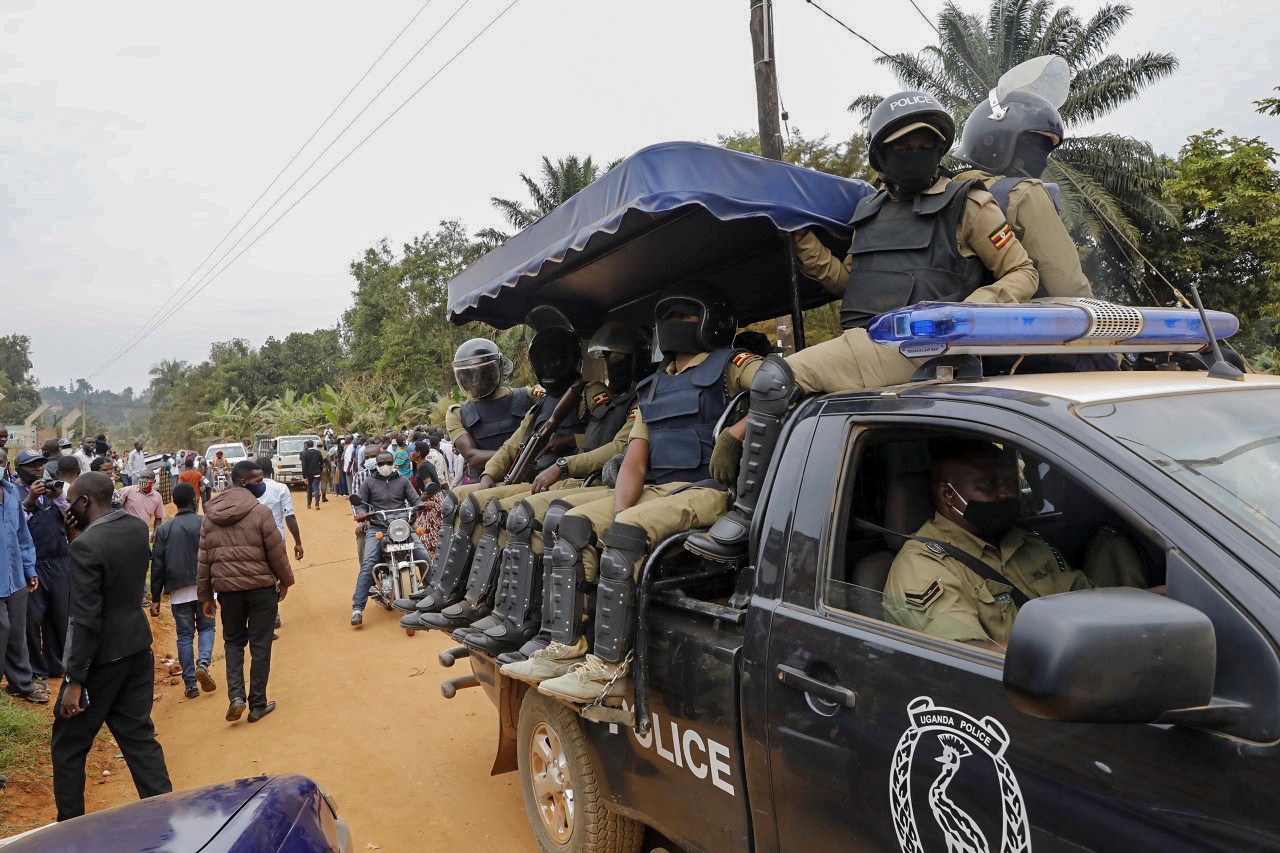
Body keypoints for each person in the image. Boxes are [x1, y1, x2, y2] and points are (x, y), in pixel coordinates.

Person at [688, 91, 1040, 561]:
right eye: (903, 147)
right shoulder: (870, 213)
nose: (915, 154)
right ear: (881, 155)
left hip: (924, 346)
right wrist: (799, 237)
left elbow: (1023, 272)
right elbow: (849, 283)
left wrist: (963, 314)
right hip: (870, 342)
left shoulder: (968, 204)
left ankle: (748, 518)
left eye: (926, 145)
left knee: (775, 376)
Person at [517, 283, 762, 701]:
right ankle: (566, 648)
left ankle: (610, 669)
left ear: (712, 321)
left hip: (707, 489)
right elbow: (635, 458)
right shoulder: (652, 386)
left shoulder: (730, 365)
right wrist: (616, 513)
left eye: (684, 316)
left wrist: (736, 434)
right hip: (658, 488)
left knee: (626, 530)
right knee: (575, 526)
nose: (672, 326)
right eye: (668, 317)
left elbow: (780, 387)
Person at [883, 440, 1092, 647]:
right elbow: (966, 656)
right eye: (990, 484)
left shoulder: (1027, 542)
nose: (1008, 493)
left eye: (1011, 483)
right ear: (948, 494)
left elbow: (1090, 602)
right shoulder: (924, 565)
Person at [53, 472, 171, 820]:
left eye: (71, 501)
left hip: (101, 660)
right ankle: (166, 811)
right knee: (138, 736)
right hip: (137, 647)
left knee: (68, 747)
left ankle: (70, 830)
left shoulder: (85, 546)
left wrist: (75, 680)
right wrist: (76, 537)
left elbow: (84, 617)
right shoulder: (135, 528)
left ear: (84, 502)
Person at [953, 88, 1091, 299]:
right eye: (1032, 143)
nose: (1041, 157)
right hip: (1015, 326)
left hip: (938, 322)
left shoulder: (948, 192)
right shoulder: (1025, 193)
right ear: (995, 141)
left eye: (1046, 147)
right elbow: (1068, 286)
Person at [197, 460, 294, 723]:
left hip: (228, 592)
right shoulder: (260, 512)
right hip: (261, 589)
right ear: (243, 482)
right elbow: (276, 552)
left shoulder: (210, 516)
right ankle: (258, 704)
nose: (262, 483)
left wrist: (205, 595)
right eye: (257, 479)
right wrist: (285, 581)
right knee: (261, 645)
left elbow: (204, 558)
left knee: (233, 643)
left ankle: (237, 698)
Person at [150, 483, 215, 699]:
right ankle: (203, 664)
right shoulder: (204, 522)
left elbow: (157, 564)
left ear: (175, 503)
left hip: (178, 592)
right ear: (194, 501)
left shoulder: (165, 529)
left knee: (184, 636)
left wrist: (156, 597)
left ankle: (190, 684)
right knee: (207, 628)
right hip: (205, 587)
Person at [349, 450, 426, 626]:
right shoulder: (368, 482)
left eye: (388, 462)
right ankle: (357, 608)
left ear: (393, 463)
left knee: (424, 556)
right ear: (377, 464)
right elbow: (360, 505)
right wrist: (362, 516)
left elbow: (415, 500)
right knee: (369, 562)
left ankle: (434, 597)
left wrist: (421, 506)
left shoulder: (402, 481)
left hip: (401, 526)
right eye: (382, 463)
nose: (385, 466)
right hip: (378, 527)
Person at [14, 450, 70, 691]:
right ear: (18, 469)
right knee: (32, 619)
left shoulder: (50, 492)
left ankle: (56, 664)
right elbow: (11, 525)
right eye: (31, 465)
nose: (37, 469)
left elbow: (71, 514)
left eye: (40, 464)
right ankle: (36, 671)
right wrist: (29, 501)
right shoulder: (12, 492)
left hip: (59, 561)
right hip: (32, 565)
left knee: (59, 615)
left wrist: (57, 495)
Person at [445, 339, 533, 484]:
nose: (474, 380)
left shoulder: (528, 397)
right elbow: (472, 457)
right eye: (468, 375)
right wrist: (522, 455)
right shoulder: (457, 413)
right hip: (484, 484)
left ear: (497, 370)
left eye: (481, 373)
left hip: (527, 481)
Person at [0, 449, 44, 704]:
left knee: (17, 632)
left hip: (15, 576)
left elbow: (22, 537)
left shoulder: (10, 494)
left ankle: (21, 684)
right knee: (2, 630)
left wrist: (29, 569)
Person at [254, 457, 305, 561]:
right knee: (281, 572)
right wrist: (298, 543)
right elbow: (290, 517)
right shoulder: (281, 488)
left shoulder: (249, 489)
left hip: (255, 539)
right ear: (272, 471)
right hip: (277, 538)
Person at [117, 471, 166, 543]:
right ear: (138, 479)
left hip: (143, 533)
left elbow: (158, 517)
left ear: (154, 481)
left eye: (148, 478)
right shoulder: (127, 491)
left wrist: (155, 532)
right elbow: (115, 508)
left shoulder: (157, 496)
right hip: (126, 531)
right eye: (142, 477)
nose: (144, 480)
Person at [299, 440, 324, 511]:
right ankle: (317, 504)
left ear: (307, 445)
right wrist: (320, 471)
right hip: (317, 473)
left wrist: (304, 476)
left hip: (309, 474)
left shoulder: (305, 454)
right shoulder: (318, 453)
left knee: (309, 488)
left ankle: (309, 504)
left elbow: (303, 466)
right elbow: (322, 463)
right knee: (316, 488)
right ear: (313, 445)